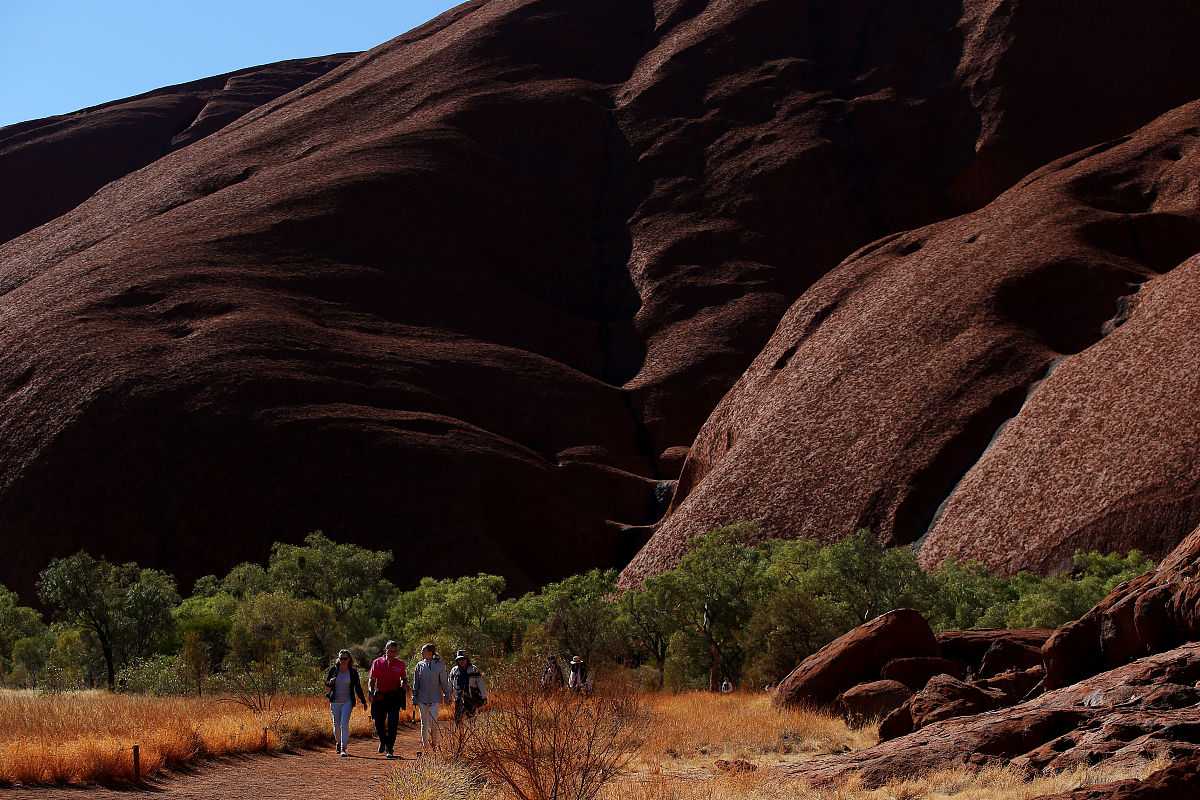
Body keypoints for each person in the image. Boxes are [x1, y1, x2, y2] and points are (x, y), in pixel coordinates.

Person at [410, 642, 453, 755]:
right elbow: (416, 682)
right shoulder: (419, 665)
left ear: (430, 652)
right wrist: (414, 696)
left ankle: (434, 743)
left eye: (423, 651)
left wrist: (447, 696)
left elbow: (444, 681)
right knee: (424, 723)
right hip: (422, 698)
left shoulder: (439, 665)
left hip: (435, 697)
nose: (421, 653)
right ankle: (426, 747)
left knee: (433, 722)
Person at [368, 641, 407, 758]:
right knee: (378, 724)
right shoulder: (377, 662)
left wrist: (404, 684)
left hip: (394, 697)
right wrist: (371, 690)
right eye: (391, 651)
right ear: (385, 650)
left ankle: (389, 748)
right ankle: (383, 741)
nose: (393, 654)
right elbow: (372, 679)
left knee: (393, 724)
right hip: (380, 696)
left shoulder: (400, 663)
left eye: (395, 652)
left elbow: (404, 678)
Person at [325, 649, 368, 756]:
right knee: (337, 725)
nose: (343, 660)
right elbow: (327, 683)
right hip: (335, 701)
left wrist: (363, 701)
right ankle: (338, 743)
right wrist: (330, 682)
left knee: (344, 724)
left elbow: (358, 687)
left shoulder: (353, 672)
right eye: (341, 658)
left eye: (345, 658)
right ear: (338, 659)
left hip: (347, 701)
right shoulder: (333, 670)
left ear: (349, 659)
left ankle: (343, 748)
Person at [449, 649, 487, 723]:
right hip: (458, 698)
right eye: (459, 659)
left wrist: (484, 696)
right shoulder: (454, 670)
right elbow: (450, 683)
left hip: (471, 697)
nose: (461, 661)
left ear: (467, 659)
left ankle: (471, 733)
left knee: (471, 718)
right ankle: (459, 733)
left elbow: (480, 683)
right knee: (458, 719)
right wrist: (448, 697)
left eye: (463, 659)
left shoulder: (473, 669)